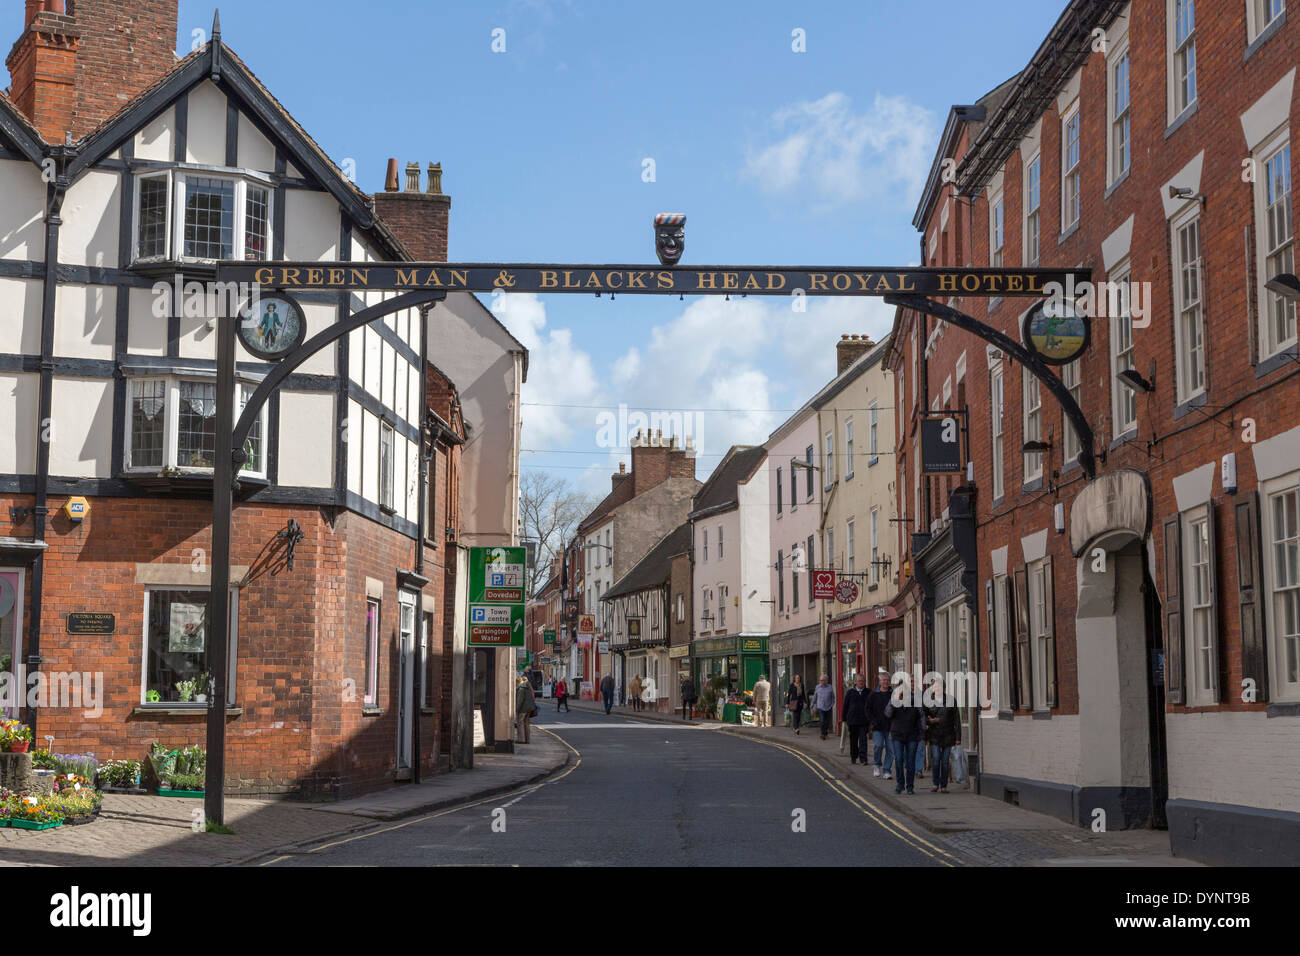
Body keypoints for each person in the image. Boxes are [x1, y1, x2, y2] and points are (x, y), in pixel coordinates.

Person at [887, 676, 925, 795]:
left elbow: (922, 716)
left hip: (912, 735)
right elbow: (887, 714)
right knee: (898, 760)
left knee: (910, 761)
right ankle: (900, 785)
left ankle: (910, 786)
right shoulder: (894, 699)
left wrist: (922, 733)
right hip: (897, 734)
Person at [925, 679, 963, 793]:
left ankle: (944, 786)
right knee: (936, 760)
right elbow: (923, 717)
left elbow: (957, 719)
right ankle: (935, 783)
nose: (938, 688)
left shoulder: (951, 700)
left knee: (945, 762)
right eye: (935, 687)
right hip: (934, 735)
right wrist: (930, 721)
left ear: (944, 688)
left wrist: (958, 737)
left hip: (948, 734)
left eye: (940, 686)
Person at [866, 667, 895, 779]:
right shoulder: (873, 695)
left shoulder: (894, 694)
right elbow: (867, 709)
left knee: (890, 749)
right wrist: (873, 721)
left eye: (887, 680)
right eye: (883, 680)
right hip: (877, 726)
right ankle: (877, 765)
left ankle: (887, 770)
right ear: (879, 681)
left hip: (891, 727)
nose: (885, 682)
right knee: (878, 746)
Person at [841, 673, 872, 765]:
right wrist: (844, 719)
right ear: (855, 682)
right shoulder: (850, 692)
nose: (861, 682)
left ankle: (863, 759)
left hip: (864, 721)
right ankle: (854, 756)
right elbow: (845, 706)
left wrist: (871, 720)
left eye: (862, 681)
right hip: (852, 721)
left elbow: (872, 707)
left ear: (865, 682)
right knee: (853, 741)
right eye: (859, 681)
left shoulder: (869, 692)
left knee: (863, 740)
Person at [811, 674, 836, 740]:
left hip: (828, 707)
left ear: (826, 681)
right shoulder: (817, 687)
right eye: (820, 680)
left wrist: (832, 704)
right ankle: (823, 734)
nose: (821, 682)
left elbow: (833, 697)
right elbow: (815, 697)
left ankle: (825, 734)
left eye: (823, 680)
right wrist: (812, 705)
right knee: (822, 721)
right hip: (820, 706)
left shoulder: (830, 687)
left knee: (827, 721)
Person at [515, 676, 538, 744]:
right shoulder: (527, 687)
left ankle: (521, 740)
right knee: (527, 724)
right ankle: (527, 740)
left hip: (523, 709)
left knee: (520, 723)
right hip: (529, 709)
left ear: (517, 682)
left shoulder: (521, 688)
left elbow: (520, 700)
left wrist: (516, 709)